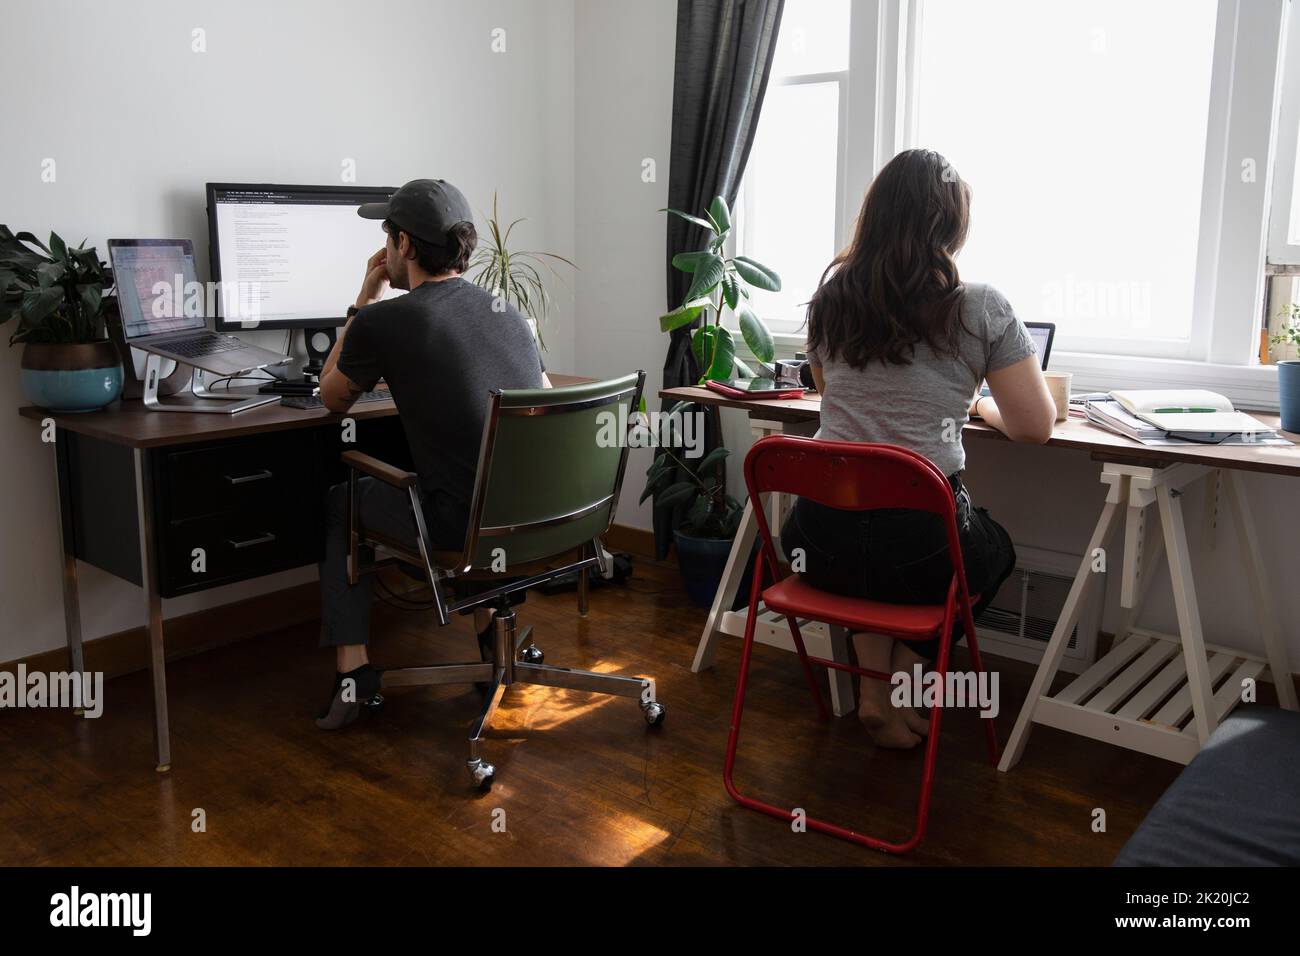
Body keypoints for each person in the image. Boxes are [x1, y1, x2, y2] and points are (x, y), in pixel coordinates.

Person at [781, 148, 1056, 749]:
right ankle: (910, 667)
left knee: (872, 547)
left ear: (873, 216)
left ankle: (876, 686)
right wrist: (980, 404)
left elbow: (834, 401)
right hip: (921, 545)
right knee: (992, 550)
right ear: (953, 225)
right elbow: (1037, 426)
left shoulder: (832, 300)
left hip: (817, 539)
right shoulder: (980, 305)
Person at [315, 178, 548, 729]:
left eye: (387, 236)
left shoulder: (384, 320)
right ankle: (495, 637)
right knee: (472, 473)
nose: (384, 248)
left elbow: (331, 398)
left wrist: (365, 298)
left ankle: (354, 675)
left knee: (339, 501)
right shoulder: (507, 312)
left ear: (406, 247)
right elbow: (534, 394)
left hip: (458, 527)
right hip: (536, 519)